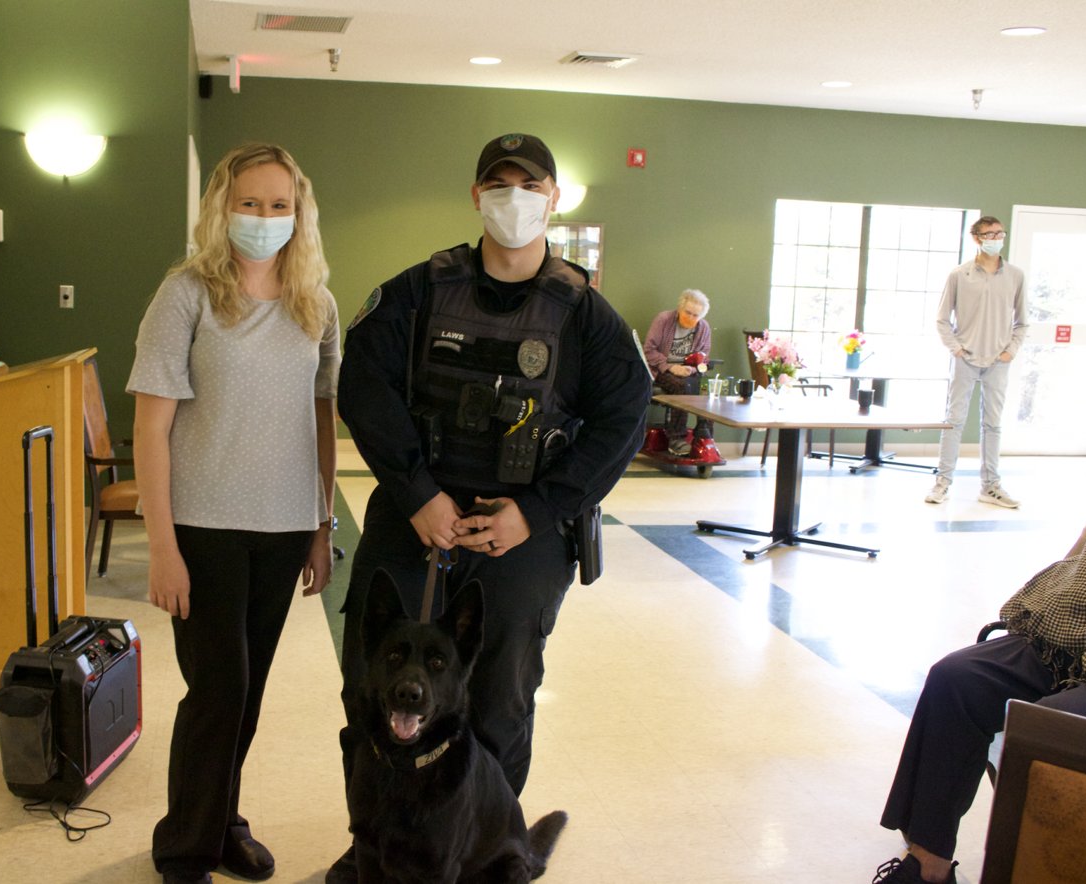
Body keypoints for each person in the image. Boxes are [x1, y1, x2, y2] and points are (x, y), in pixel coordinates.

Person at [327, 133, 652, 883]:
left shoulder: (584, 314)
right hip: (418, 512)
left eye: (529, 183)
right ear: (476, 196)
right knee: (374, 684)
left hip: (521, 527)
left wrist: (537, 510)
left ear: (554, 197)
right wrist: (416, 493)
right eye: (498, 184)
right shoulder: (417, 291)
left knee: (497, 692)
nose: (514, 197)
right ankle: (371, 836)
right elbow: (363, 388)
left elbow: (623, 418)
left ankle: (483, 848)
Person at [127, 142, 340, 884]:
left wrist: (321, 524)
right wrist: (161, 548)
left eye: (279, 204)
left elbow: (321, 418)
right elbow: (150, 429)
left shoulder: (318, 301)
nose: (263, 216)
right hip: (203, 525)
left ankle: (220, 822)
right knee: (217, 691)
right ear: (222, 206)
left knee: (244, 694)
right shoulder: (186, 293)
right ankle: (185, 844)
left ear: (299, 212)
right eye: (248, 202)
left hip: (283, 528)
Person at [872, 521, 1086, 884]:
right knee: (957, 679)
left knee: (1046, 729)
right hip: (1073, 647)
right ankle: (929, 864)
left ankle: (1027, 872)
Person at [925, 216, 1028, 507]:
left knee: (993, 425)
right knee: (953, 422)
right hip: (965, 359)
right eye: (989, 233)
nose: (996, 237)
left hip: (999, 361)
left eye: (1000, 233)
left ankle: (991, 486)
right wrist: (956, 349)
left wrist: (1010, 351)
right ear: (977, 238)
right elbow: (942, 319)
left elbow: (1022, 322)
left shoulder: (1016, 276)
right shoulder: (959, 274)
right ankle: (942, 483)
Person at [643, 289, 713, 456]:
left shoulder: (703, 328)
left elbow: (704, 356)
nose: (690, 318)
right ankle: (676, 438)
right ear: (680, 308)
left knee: (707, 387)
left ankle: (705, 436)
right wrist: (672, 367)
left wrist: (693, 368)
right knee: (682, 387)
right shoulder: (664, 320)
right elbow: (649, 351)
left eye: (695, 315)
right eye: (687, 313)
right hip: (661, 369)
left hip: (688, 370)